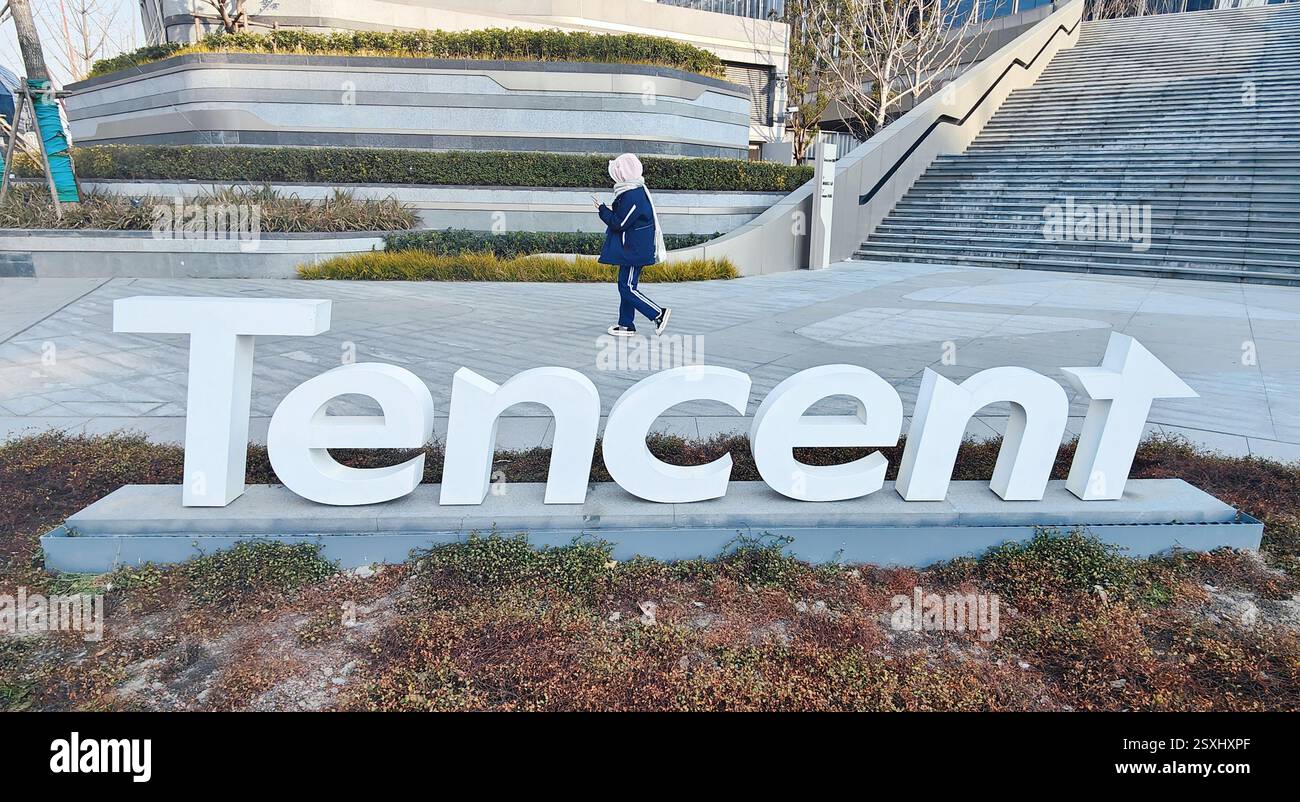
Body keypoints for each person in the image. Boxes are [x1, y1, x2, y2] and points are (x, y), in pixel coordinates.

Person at [595, 153, 671, 337]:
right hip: (631, 248)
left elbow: (620, 223)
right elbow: (624, 219)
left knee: (626, 287)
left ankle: (658, 314)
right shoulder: (630, 191)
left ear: (623, 174)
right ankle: (626, 325)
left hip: (633, 250)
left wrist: (602, 210)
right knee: (627, 285)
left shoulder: (634, 195)